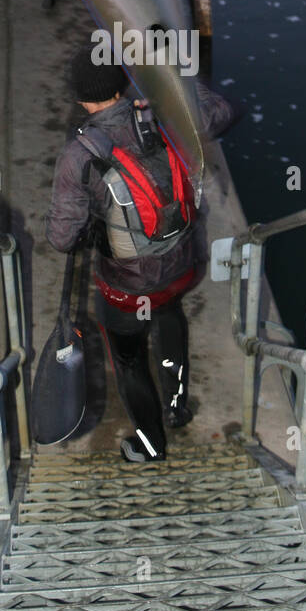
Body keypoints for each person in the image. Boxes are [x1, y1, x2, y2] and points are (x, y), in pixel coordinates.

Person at [46, 46, 237, 463]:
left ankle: (150, 444)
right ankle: (177, 408)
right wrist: (175, 82)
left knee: (130, 361)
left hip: (127, 288)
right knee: (170, 317)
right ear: (123, 82)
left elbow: (62, 238)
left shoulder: (80, 155)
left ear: (80, 97)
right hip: (181, 266)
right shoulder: (165, 118)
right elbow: (222, 111)